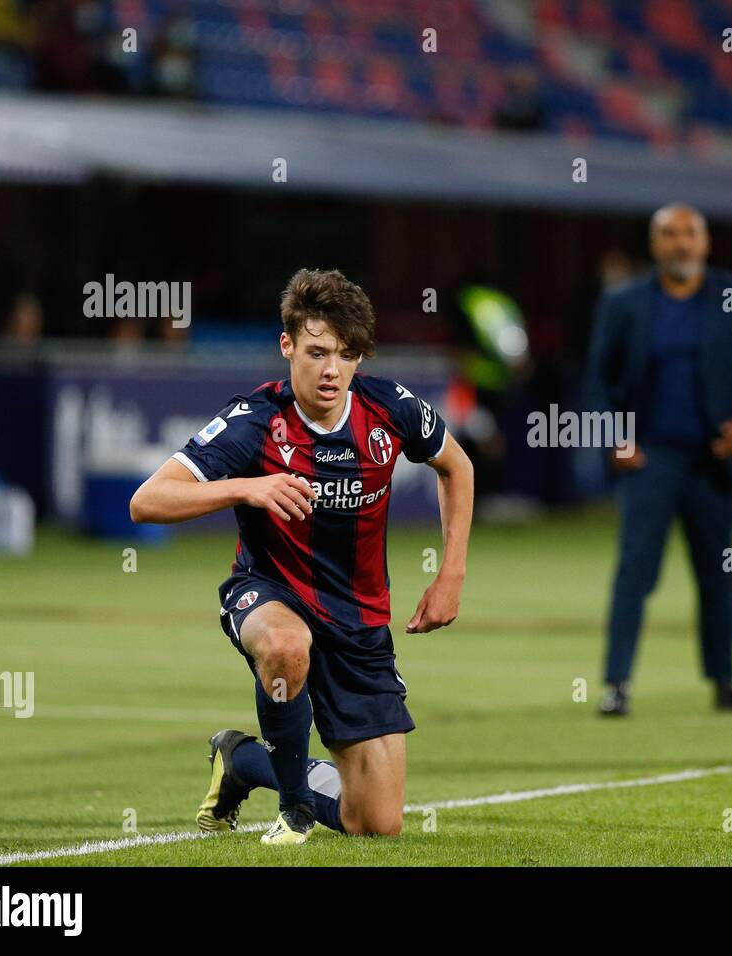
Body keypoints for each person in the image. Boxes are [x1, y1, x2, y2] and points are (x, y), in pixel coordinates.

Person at [129, 269, 474, 844]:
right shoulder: (256, 421)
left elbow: (456, 466)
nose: (331, 370)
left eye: (345, 354)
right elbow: (148, 500)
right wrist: (247, 487)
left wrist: (452, 573)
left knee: (377, 823)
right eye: (316, 352)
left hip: (359, 623)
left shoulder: (389, 408)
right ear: (287, 345)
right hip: (269, 594)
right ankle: (295, 811)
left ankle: (241, 760)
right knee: (288, 646)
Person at [586, 203, 732, 716]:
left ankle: (724, 683)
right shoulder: (625, 302)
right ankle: (616, 686)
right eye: (670, 235)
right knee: (634, 572)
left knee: (717, 574)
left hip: (713, 461)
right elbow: (597, 379)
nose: (681, 244)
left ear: (706, 242)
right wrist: (616, 437)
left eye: (690, 234)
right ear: (654, 245)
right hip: (650, 461)